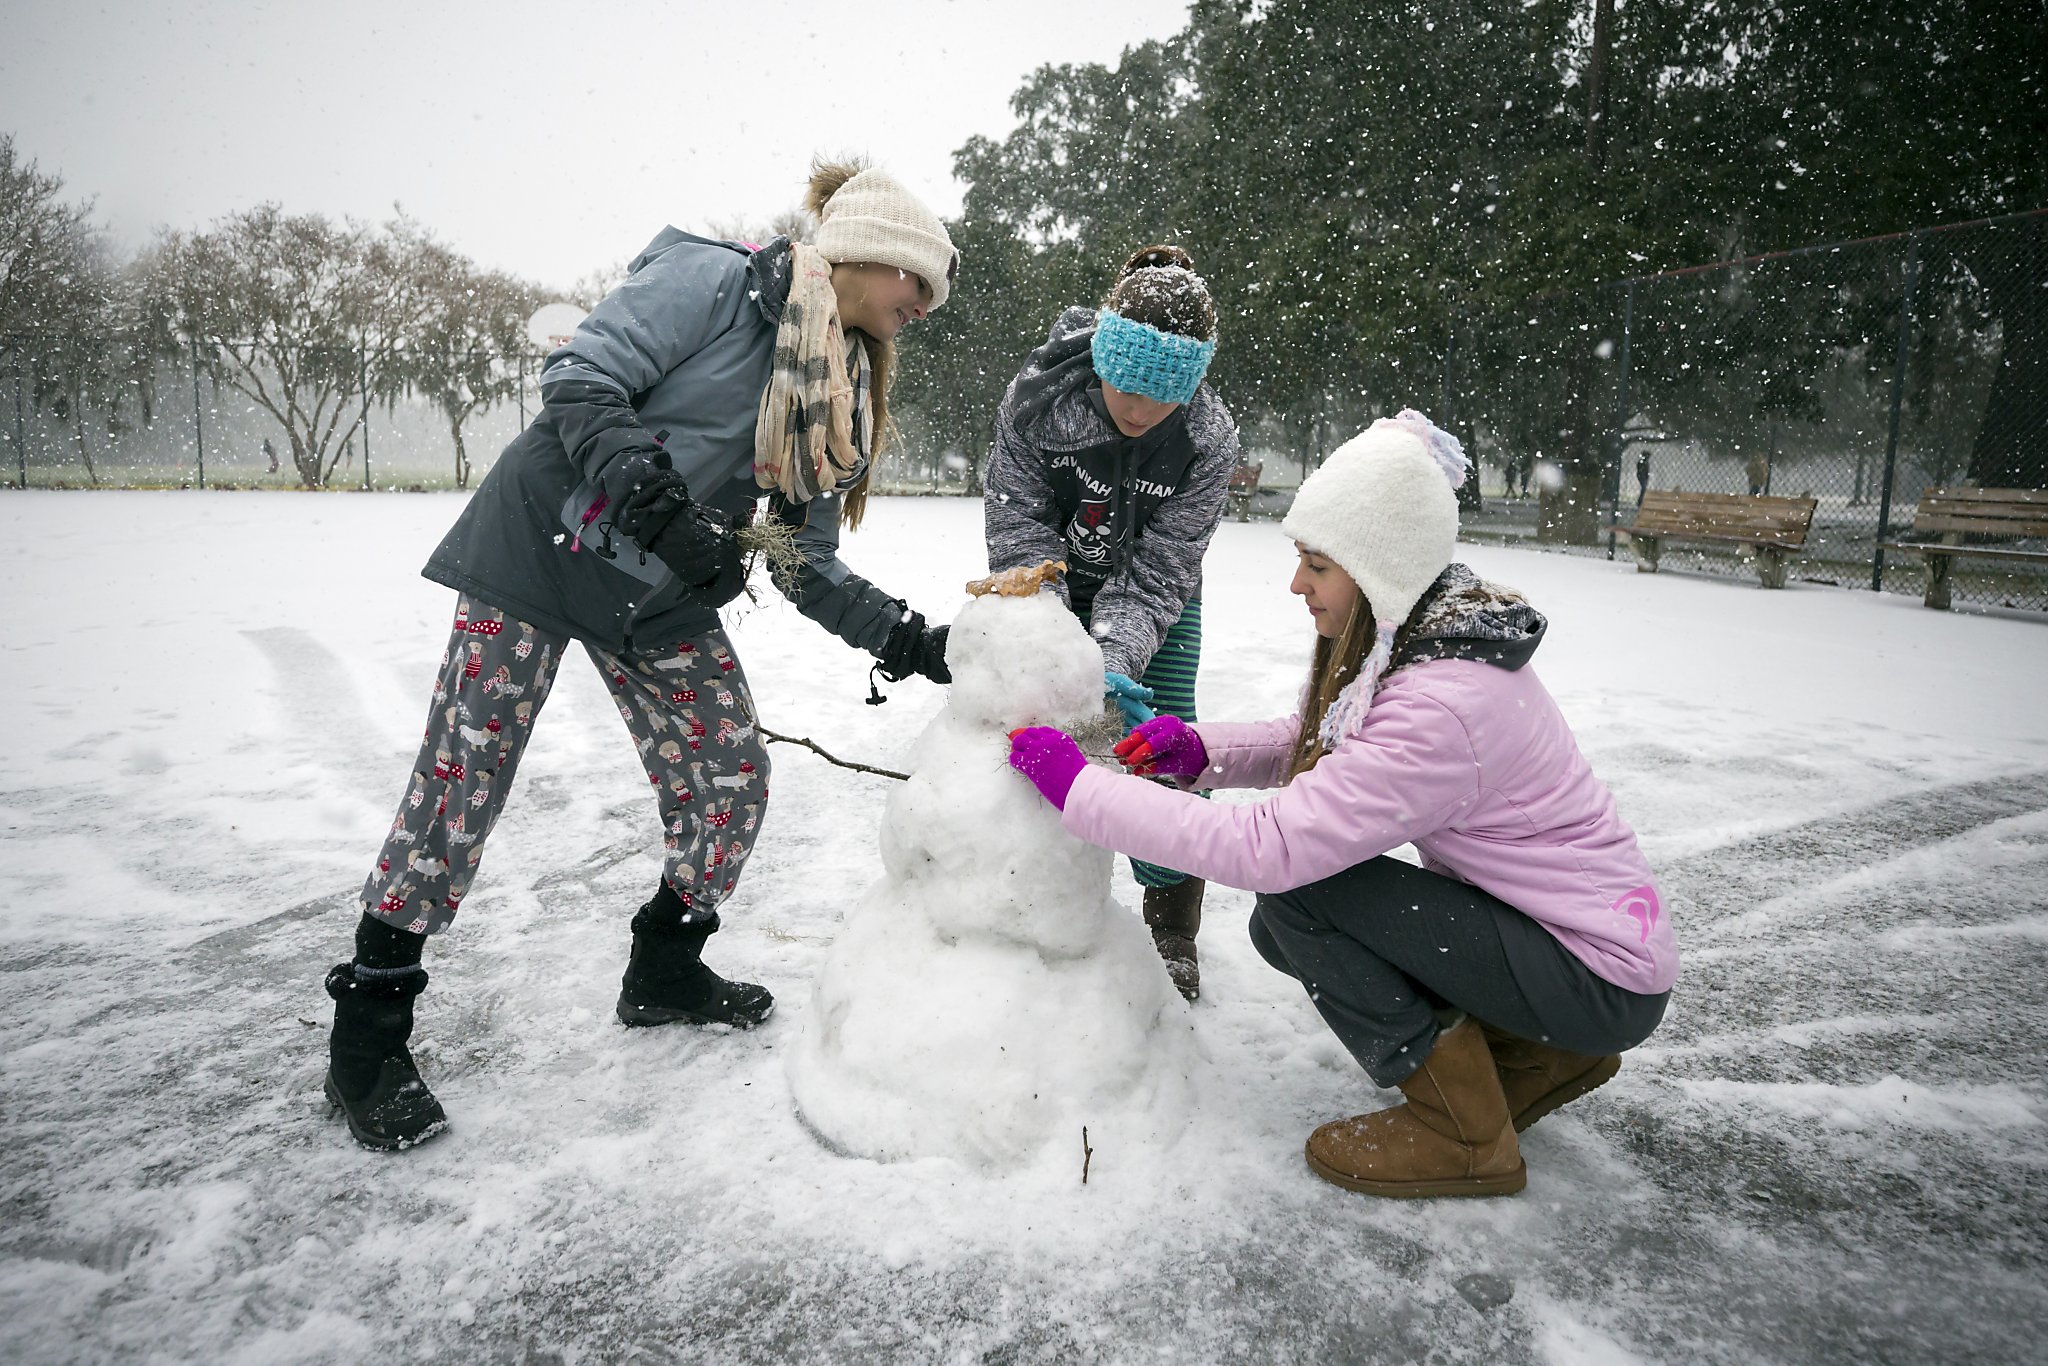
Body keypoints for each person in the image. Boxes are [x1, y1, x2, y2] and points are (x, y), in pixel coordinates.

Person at [321, 159, 960, 1150]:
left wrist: (916, 642)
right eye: (916, 279)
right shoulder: (715, 280)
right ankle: (368, 1030)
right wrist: (654, 497)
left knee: (730, 773)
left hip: (658, 595)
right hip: (539, 546)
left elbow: (803, 566)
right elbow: (581, 374)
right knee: (464, 777)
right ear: (864, 252)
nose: (925, 303)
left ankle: (663, 966)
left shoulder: (835, 393)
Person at [1006, 410, 1675, 1198]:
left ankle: (1465, 1133)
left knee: (1297, 891)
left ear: (1377, 567)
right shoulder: (1422, 643)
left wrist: (1079, 790)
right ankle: (1540, 1053)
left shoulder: (1444, 705)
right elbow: (1315, 736)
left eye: (1317, 565)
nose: (1297, 584)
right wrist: (1199, 749)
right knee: (1284, 928)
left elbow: (1268, 848)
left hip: (1594, 971)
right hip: (1570, 945)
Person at [983, 245, 1241, 1001]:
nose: (1135, 410)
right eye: (1123, 385)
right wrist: (1060, 642)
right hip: (1046, 583)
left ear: (1189, 390)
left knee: (1163, 742)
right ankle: (1029, 892)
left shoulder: (1208, 439)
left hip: (1158, 598)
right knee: (1040, 724)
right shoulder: (1038, 402)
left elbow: (1163, 567)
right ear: (1102, 355)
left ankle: (1171, 921)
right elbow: (1019, 527)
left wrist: (1117, 655)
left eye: (1157, 398)